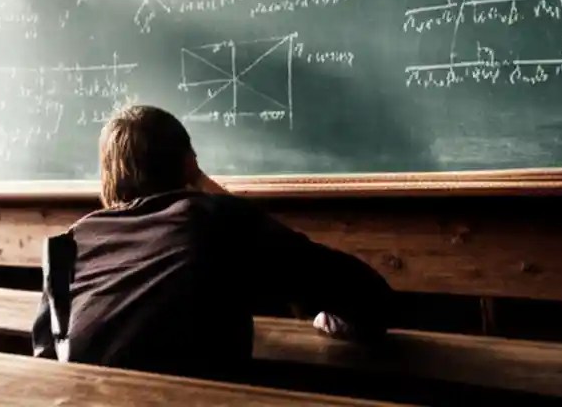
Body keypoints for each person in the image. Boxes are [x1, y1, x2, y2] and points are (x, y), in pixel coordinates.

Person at [32, 104, 393, 380]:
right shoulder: (214, 219)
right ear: (189, 164)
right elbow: (372, 298)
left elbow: (47, 353)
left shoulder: (71, 241)